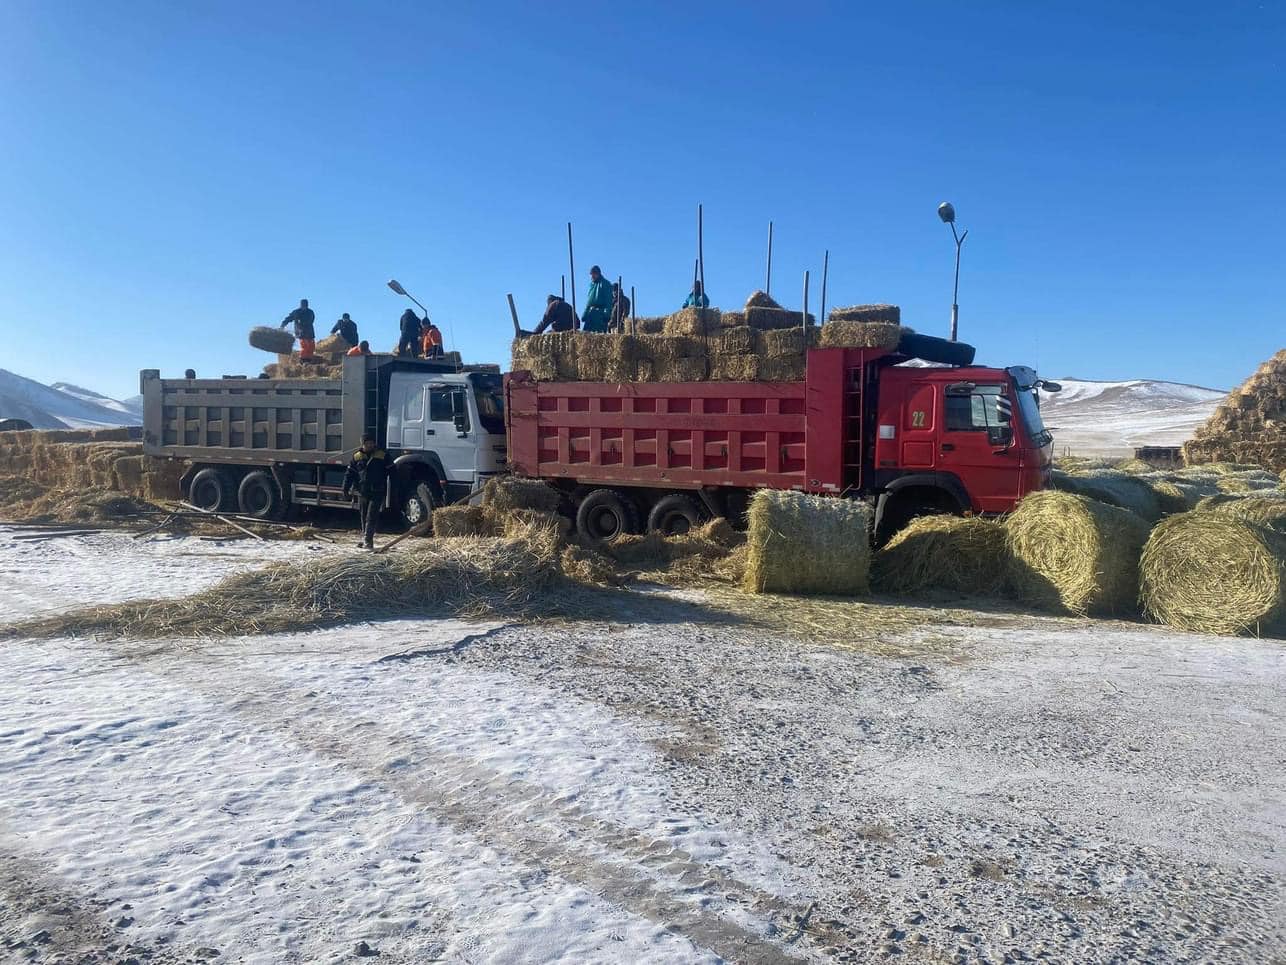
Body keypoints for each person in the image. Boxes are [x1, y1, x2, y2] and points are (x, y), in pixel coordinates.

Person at [342, 433, 393, 549]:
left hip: (377, 491)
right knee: (363, 515)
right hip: (363, 491)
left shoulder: (382, 455)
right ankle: (365, 537)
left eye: (371, 443)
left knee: (371, 515)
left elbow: (393, 472)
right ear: (362, 444)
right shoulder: (357, 456)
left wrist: (394, 489)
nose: (370, 445)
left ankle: (368, 540)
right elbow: (349, 474)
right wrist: (345, 489)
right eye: (367, 443)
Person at [581, 266, 613, 333]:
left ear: (598, 274)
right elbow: (589, 301)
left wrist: (607, 314)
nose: (592, 276)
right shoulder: (592, 285)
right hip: (591, 313)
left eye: (593, 274)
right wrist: (585, 313)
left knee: (598, 333)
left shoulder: (605, 284)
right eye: (591, 274)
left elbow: (608, 300)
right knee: (586, 334)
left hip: (600, 313)